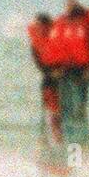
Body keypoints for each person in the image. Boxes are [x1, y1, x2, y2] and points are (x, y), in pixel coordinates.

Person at [47, 1, 89, 147]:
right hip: (64, 73)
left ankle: (80, 146)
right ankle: (71, 147)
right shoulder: (61, 26)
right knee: (67, 109)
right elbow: (54, 47)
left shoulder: (83, 25)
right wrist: (54, 69)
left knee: (80, 108)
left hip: (79, 72)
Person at [27, 14, 62, 148]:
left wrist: (60, 70)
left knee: (66, 113)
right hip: (49, 79)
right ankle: (50, 144)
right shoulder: (35, 43)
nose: (39, 29)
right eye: (37, 27)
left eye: (41, 26)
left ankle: (70, 146)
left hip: (65, 78)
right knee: (51, 113)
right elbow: (38, 63)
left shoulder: (57, 37)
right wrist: (50, 72)